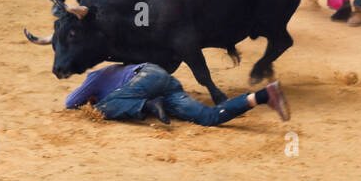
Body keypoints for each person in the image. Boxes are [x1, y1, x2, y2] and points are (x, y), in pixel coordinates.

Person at [66, 63, 290, 125]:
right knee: (208, 117)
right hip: (166, 84)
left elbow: (70, 103)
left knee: (97, 111)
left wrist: (95, 101)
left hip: (147, 76)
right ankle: (262, 96)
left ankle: (148, 107)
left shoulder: (94, 78)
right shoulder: (116, 87)